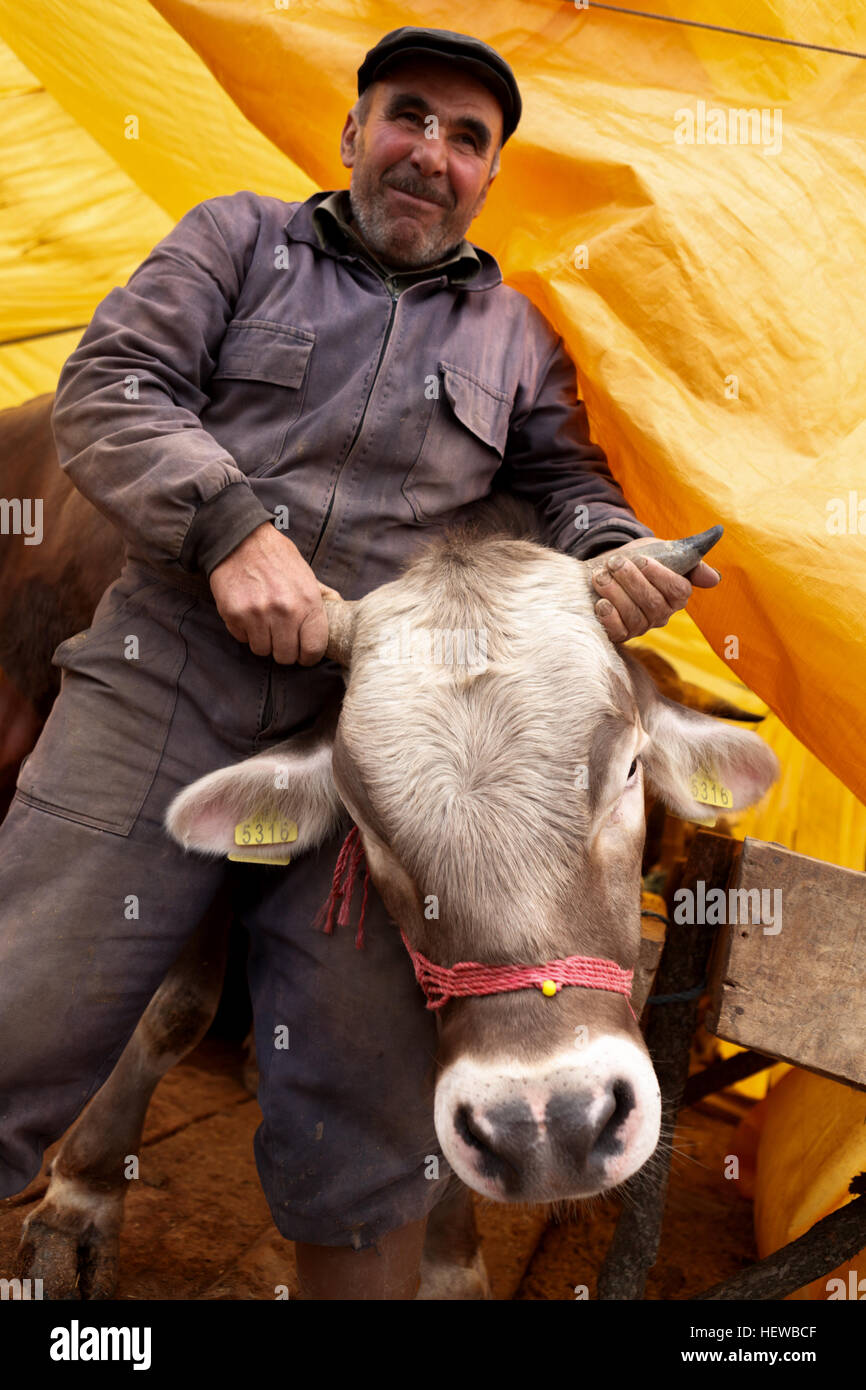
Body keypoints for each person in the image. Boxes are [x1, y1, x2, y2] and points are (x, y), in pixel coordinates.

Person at [0, 26, 718, 1299]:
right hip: (167, 675)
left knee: (363, 1111)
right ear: (350, 133)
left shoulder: (516, 337)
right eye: (407, 117)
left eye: (465, 137)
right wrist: (227, 528)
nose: (429, 153)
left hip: (377, 727)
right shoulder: (233, 241)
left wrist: (615, 553)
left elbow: (563, 482)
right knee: (25, 1010)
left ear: (488, 173)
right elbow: (113, 384)